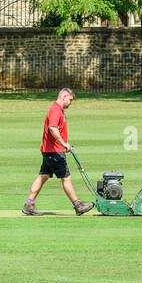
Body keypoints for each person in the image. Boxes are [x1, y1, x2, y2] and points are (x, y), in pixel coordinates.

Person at [22, 87, 94, 215]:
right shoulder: (55, 110)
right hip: (54, 151)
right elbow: (52, 128)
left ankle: (29, 204)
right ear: (64, 97)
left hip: (49, 150)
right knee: (66, 178)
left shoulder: (58, 110)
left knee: (42, 176)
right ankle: (78, 206)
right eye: (70, 100)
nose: (71, 103)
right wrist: (63, 143)